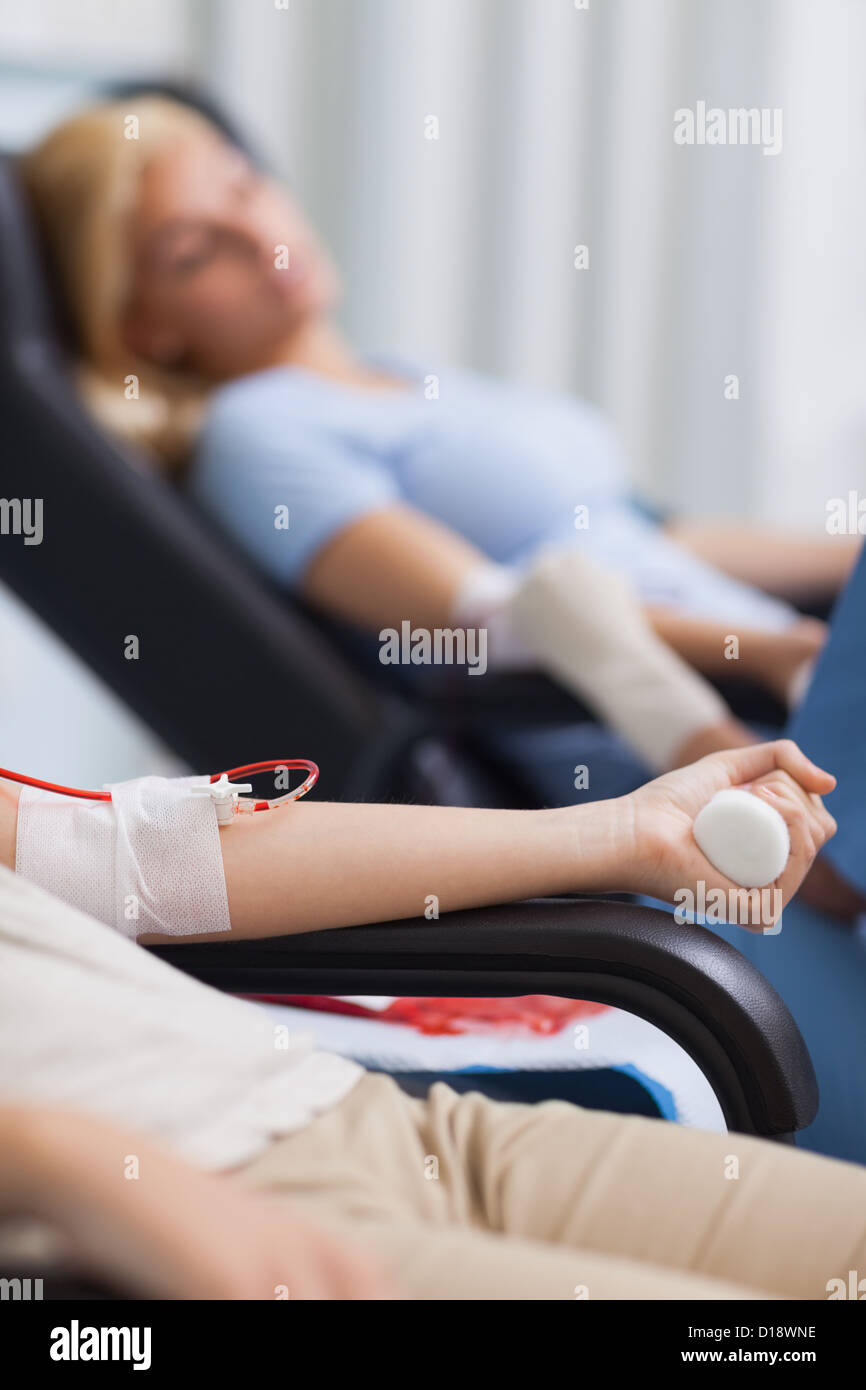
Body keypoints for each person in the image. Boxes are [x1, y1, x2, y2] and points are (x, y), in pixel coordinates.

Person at [17, 96, 858, 796]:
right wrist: (771, 655)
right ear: (145, 326)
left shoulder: (398, 376)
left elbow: (651, 536)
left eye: (243, 186)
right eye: (196, 252)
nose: (256, 236)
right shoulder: (257, 434)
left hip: (789, 683)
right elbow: (497, 617)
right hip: (705, 740)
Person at [1, 740, 862, 1301]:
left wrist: (622, 832)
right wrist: (54, 1161)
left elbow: (125, 862)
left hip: (363, 1119)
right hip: (127, 1230)